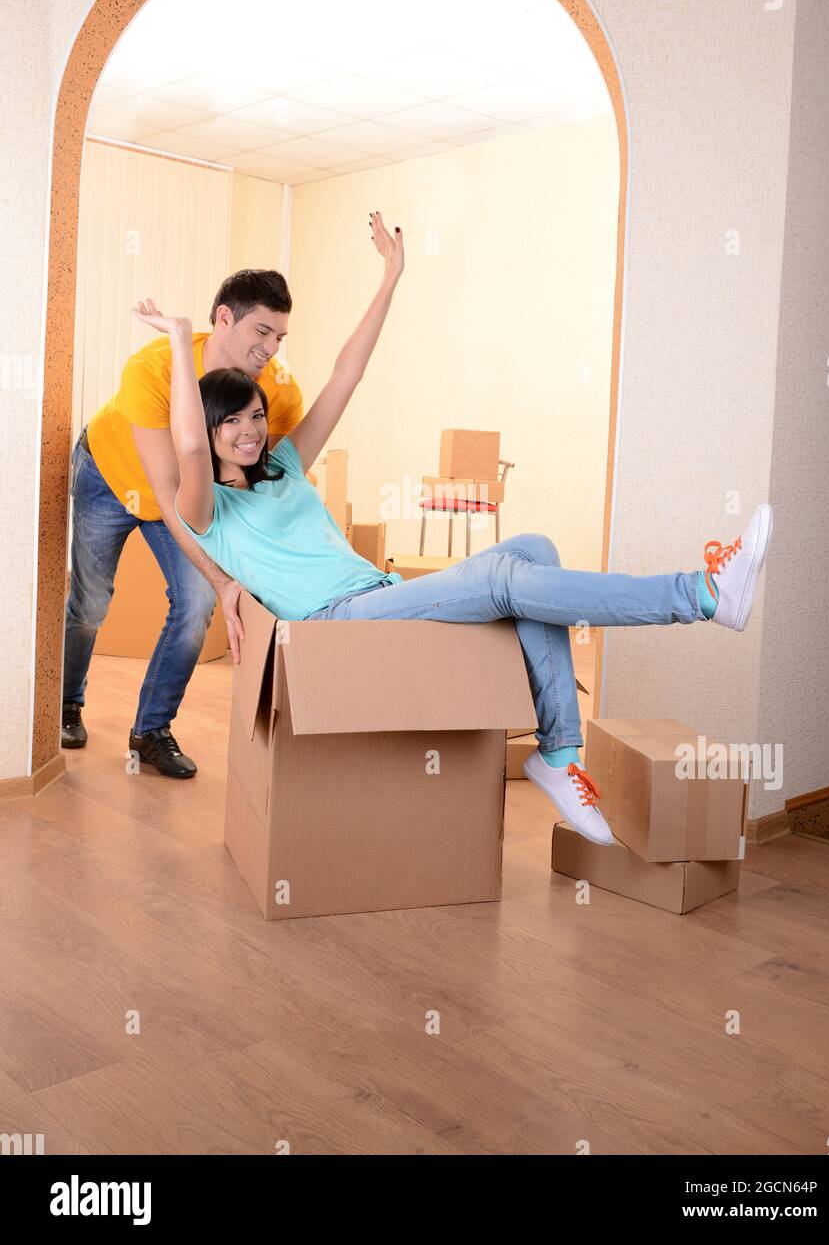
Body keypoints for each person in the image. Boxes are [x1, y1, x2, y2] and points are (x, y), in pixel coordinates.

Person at [140, 212, 774, 841]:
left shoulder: (285, 463)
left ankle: (558, 754)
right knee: (504, 579)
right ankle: (701, 594)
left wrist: (391, 276)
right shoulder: (207, 513)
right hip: (335, 622)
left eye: (256, 417)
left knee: (535, 549)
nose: (250, 432)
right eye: (234, 424)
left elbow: (345, 375)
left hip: (380, 593)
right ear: (212, 429)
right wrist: (180, 334)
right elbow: (190, 452)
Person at [61, 270, 306, 778]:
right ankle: (65, 703)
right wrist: (222, 576)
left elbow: (263, 483)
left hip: (181, 496)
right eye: (261, 332)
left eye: (279, 337)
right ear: (222, 318)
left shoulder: (279, 395)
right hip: (110, 475)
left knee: (196, 605)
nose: (270, 349)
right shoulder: (154, 368)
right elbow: (167, 490)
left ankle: (151, 730)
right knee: (92, 601)